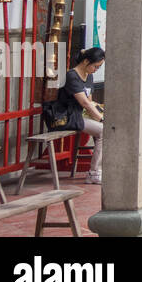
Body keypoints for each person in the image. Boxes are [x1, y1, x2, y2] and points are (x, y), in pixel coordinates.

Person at [58, 47, 105, 183]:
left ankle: (97, 170)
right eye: (96, 66)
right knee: (104, 131)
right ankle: (94, 172)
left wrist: (100, 112)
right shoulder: (71, 76)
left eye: (99, 67)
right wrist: (101, 119)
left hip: (80, 115)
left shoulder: (89, 76)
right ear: (86, 61)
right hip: (68, 116)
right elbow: (84, 102)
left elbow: (89, 101)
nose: (96, 70)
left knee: (108, 128)